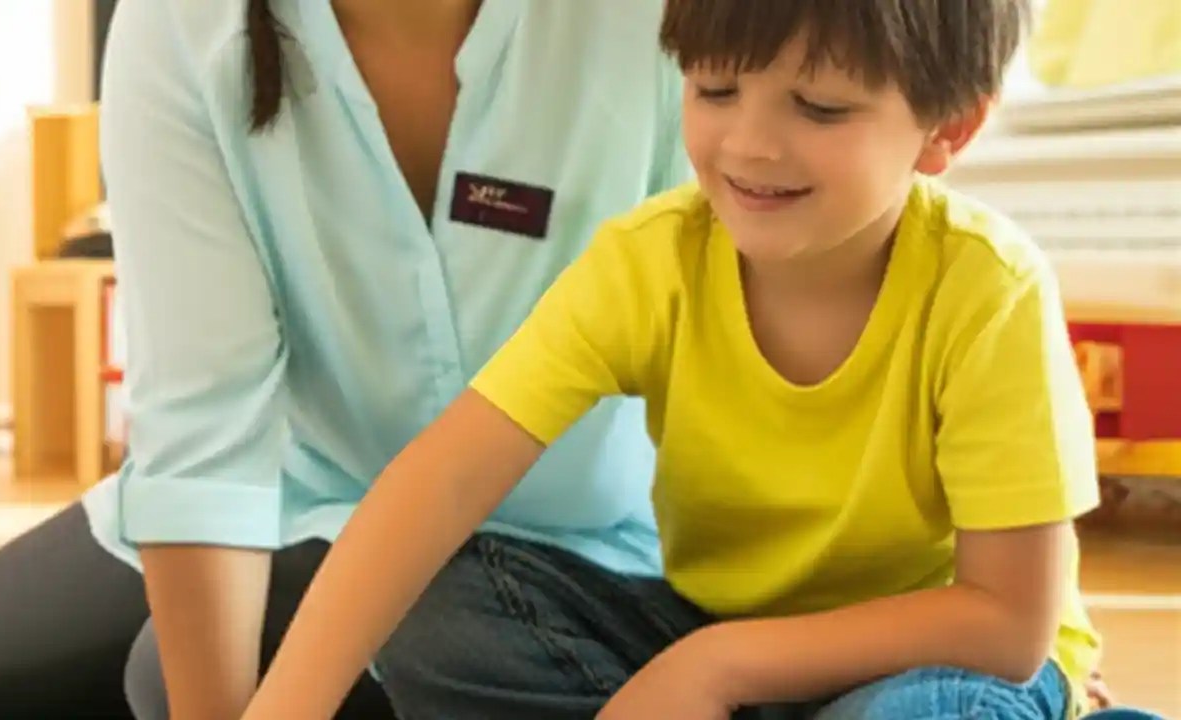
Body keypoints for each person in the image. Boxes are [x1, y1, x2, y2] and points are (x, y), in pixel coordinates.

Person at [237, 0, 1111, 718]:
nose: (750, 145)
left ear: (948, 126)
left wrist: (715, 666)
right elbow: (445, 479)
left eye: (819, 108)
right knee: (443, 609)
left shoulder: (988, 289)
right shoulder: (651, 261)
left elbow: (1008, 626)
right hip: (712, 629)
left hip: (932, 671)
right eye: (715, 89)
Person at [0, 0, 692, 718]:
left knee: (165, 675)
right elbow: (203, 433)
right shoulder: (183, 24)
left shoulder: (646, 26)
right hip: (316, 486)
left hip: (581, 529)